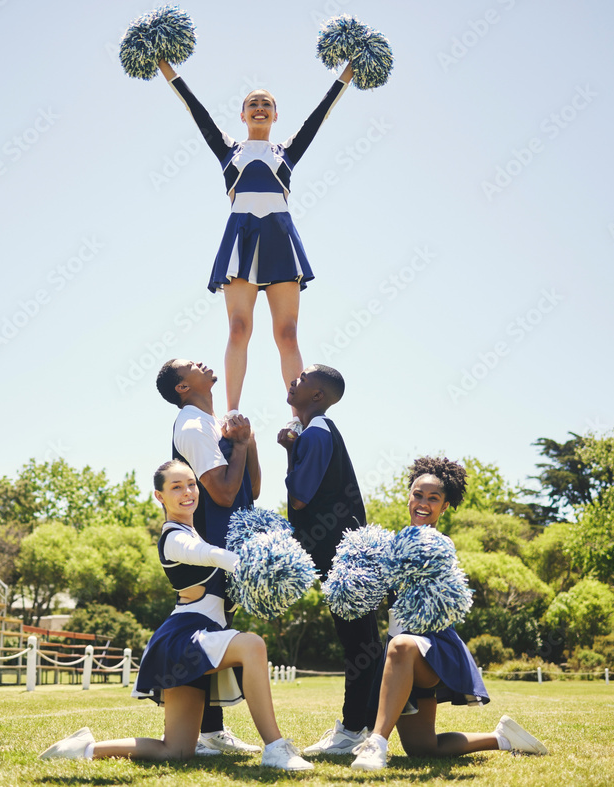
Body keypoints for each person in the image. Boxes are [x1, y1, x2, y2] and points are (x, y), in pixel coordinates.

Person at [40, 460, 312, 771]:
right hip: (185, 637)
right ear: (160, 496)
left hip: (196, 641)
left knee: (177, 751)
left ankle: (84, 748)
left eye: (192, 484)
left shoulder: (194, 534)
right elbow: (206, 556)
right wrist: (251, 562)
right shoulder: (174, 537)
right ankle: (276, 749)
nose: (187, 492)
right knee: (253, 645)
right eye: (176, 486)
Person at [156, 59, 355, 411]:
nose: (260, 108)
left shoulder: (287, 152)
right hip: (240, 237)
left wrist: (347, 75)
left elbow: (320, 113)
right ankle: (231, 413)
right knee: (237, 328)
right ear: (243, 114)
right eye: (253, 103)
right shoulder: (230, 150)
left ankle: (299, 415)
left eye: (267, 104)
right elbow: (194, 108)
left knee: (287, 333)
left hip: (280, 236)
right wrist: (165, 66)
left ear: (276, 116)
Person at [350, 456, 548, 771]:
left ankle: (376, 744)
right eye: (418, 494)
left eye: (433, 498)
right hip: (398, 662)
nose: (423, 503)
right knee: (423, 749)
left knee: (402, 644)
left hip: (431, 649)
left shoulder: (439, 546)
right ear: (408, 497)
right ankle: (503, 738)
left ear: (444, 507)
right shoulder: (395, 542)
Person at [155, 357, 262, 755]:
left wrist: (246, 442)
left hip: (228, 541)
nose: (203, 361)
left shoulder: (211, 423)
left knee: (217, 627)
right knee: (205, 629)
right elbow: (222, 493)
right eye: (191, 364)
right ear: (183, 387)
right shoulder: (193, 423)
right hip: (210, 546)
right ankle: (204, 732)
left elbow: (251, 485)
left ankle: (210, 730)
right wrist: (237, 444)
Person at [277, 364, 382, 756]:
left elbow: (300, 497)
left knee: (358, 642)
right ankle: (360, 724)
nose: (293, 381)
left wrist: (289, 452)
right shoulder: (316, 432)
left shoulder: (317, 434)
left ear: (318, 396)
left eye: (301, 379)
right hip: (345, 554)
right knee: (362, 640)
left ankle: (354, 729)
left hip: (342, 558)